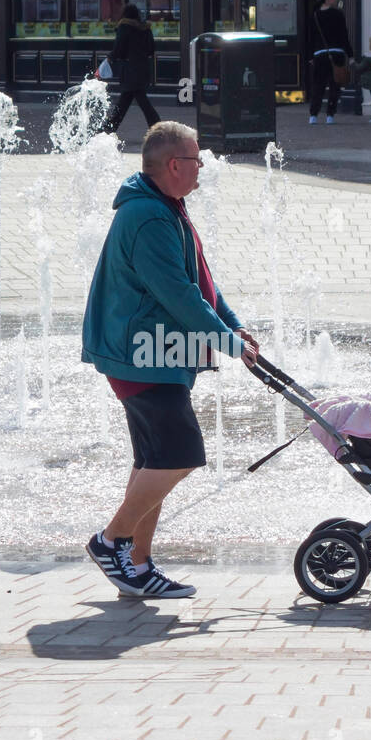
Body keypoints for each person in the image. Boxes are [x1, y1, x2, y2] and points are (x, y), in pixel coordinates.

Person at [81, 121, 260, 598]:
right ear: (175, 166)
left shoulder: (166, 208)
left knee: (153, 461)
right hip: (141, 354)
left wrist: (232, 324)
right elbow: (179, 296)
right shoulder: (147, 217)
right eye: (197, 159)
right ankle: (110, 542)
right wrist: (229, 343)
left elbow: (201, 280)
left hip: (158, 353)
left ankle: (136, 567)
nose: (203, 166)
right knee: (179, 455)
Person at [102, 3, 161, 134]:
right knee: (125, 102)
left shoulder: (124, 27)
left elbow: (119, 48)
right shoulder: (146, 28)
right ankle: (108, 129)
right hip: (143, 69)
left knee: (140, 102)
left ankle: (158, 128)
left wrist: (111, 57)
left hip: (129, 71)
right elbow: (151, 49)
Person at [308, 0, 353, 124]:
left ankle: (313, 115)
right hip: (337, 53)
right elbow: (344, 35)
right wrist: (350, 55)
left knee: (318, 85)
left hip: (320, 54)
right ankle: (330, 115)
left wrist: (310, 55)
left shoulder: (315, 15)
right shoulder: (337, 14)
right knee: (335, 85)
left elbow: (310, 37)